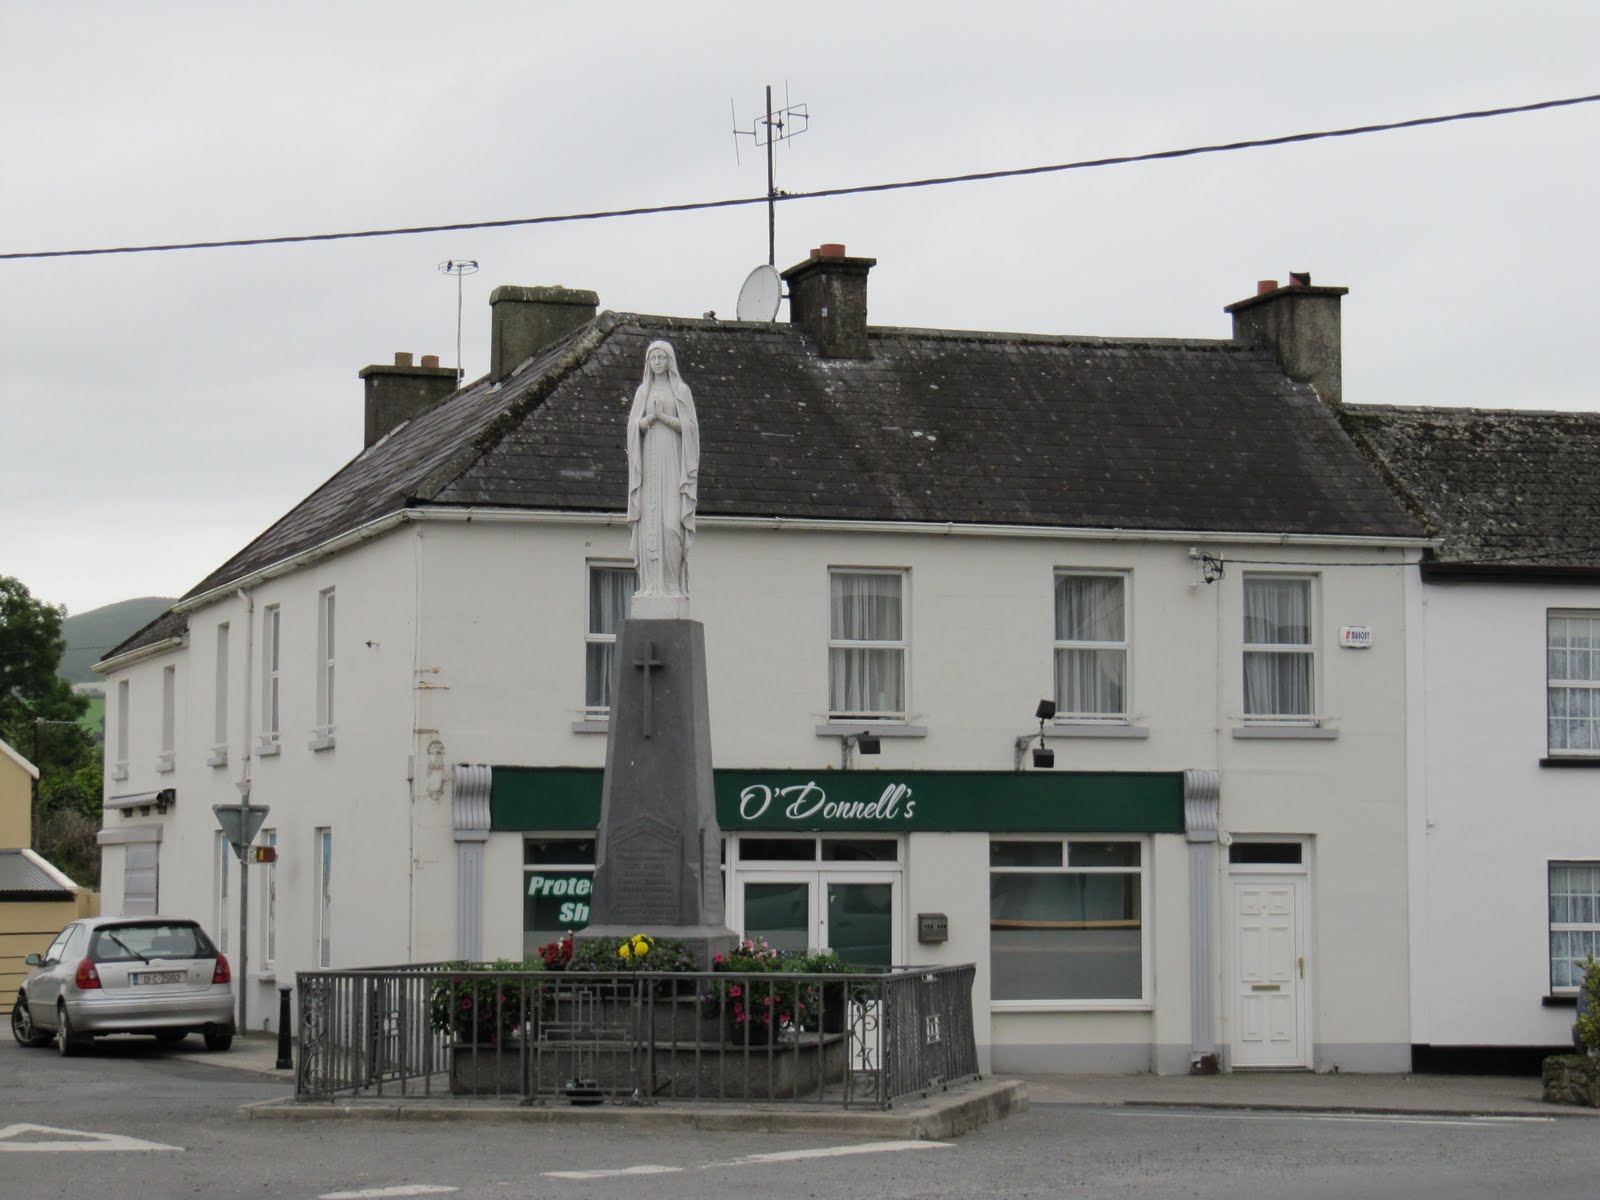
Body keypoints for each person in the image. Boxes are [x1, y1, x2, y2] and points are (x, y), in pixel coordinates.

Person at [626, 340, 699, 599]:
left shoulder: (681, 390)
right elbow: (633, 426)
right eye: (653, 358)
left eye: (662, 358)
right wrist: (647, 421)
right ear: (648, 362)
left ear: (670, 361)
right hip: (648, 460)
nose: (657, 362)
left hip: (672, 458)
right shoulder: (642, 392)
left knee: (670, 525)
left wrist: (663, 418)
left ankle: (671, 585)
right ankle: (650, 586)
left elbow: (690, 428)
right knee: (650, 524)